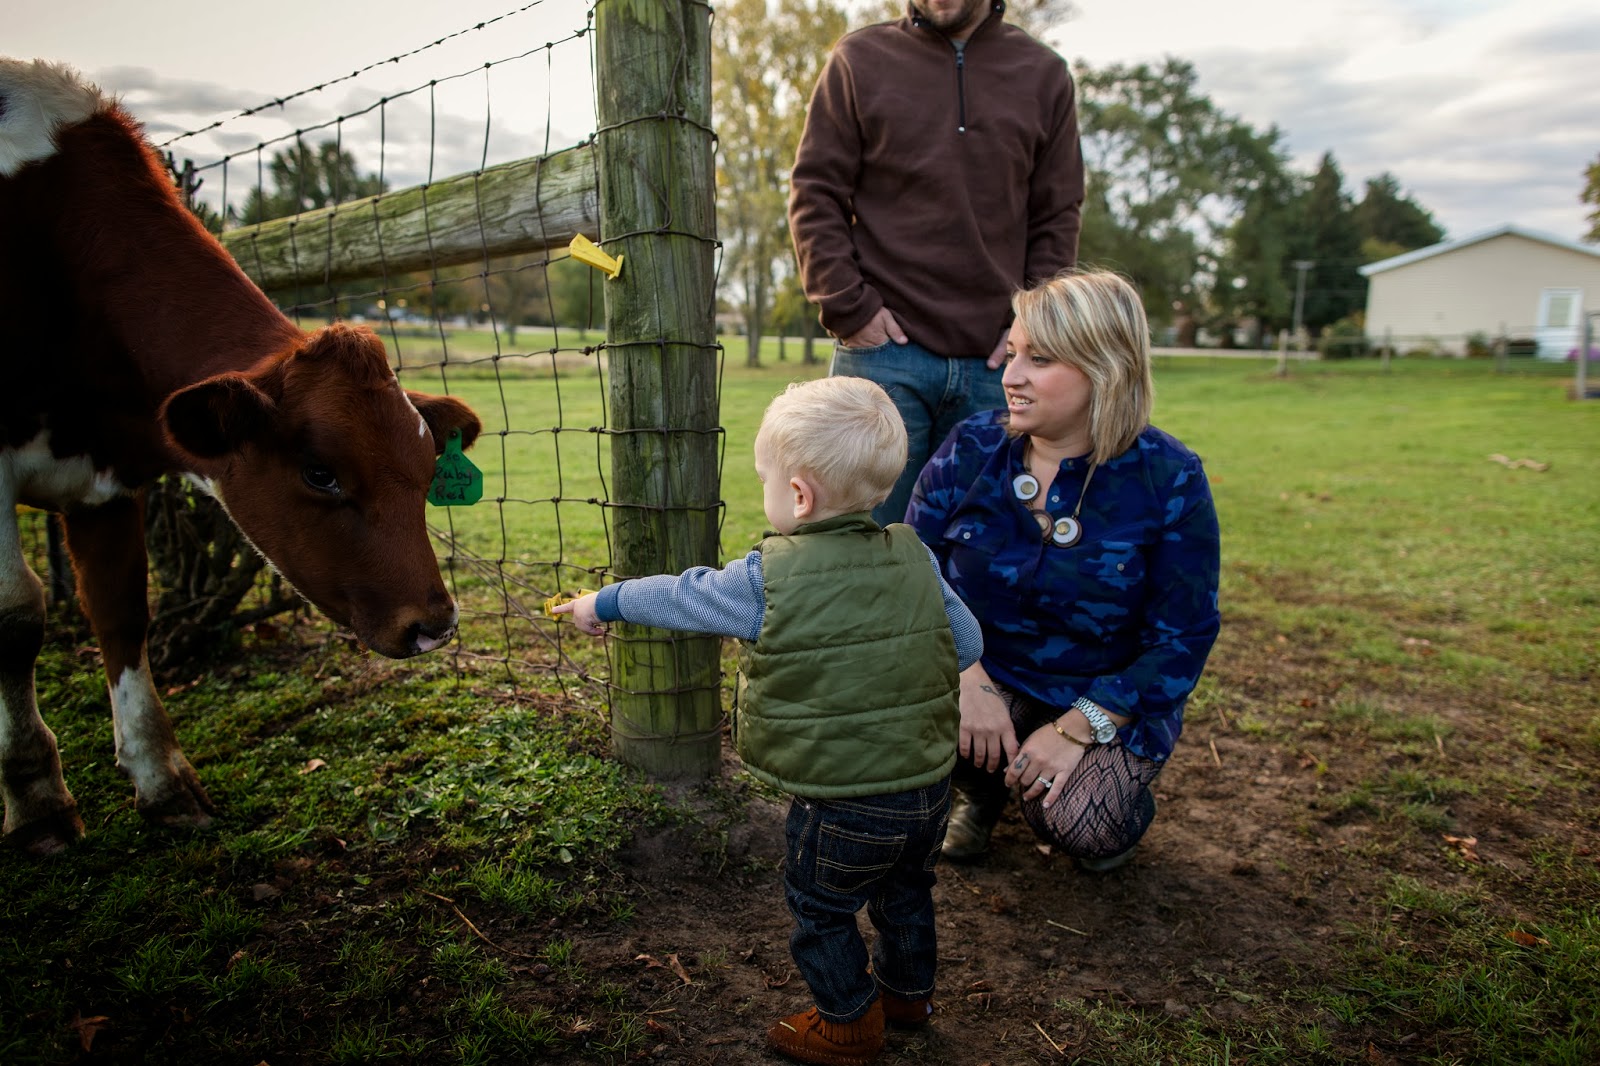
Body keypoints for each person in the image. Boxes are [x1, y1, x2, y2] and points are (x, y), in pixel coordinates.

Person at [554, 376, 982, 1066]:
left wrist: (601, 603)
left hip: (842, 803)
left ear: (800, 494)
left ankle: (847, 1023)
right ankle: (909, 997)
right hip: (929, 788)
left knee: (821, 908)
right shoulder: (915, 555)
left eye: (766, 480)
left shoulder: (767, 579)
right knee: (908, 892)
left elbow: (681, 597)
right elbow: (965, 645)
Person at [905, 270, 1221, 871]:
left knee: (1084, 825)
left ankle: (1073, 794)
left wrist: (1079, 727)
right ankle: (981, 786)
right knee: (890, 747)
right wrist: (967, 677)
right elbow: (913, 573)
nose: (1010, 375)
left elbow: (1183, 636)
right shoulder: (970, 448)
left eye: (1040, 359)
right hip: (985, 680)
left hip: (1104, 693)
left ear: (1105, 367)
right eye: (1014, 352)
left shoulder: (1170, 476)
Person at [787, 0, 1085, 528]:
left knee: (985, 553)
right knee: (856, 544)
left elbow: (1057, 215)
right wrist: (849, 308)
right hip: (883, 356)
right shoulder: (859, 59)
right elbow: (815, 192)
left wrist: (1033, 331)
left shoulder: (1044, 75)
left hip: (998, 363)